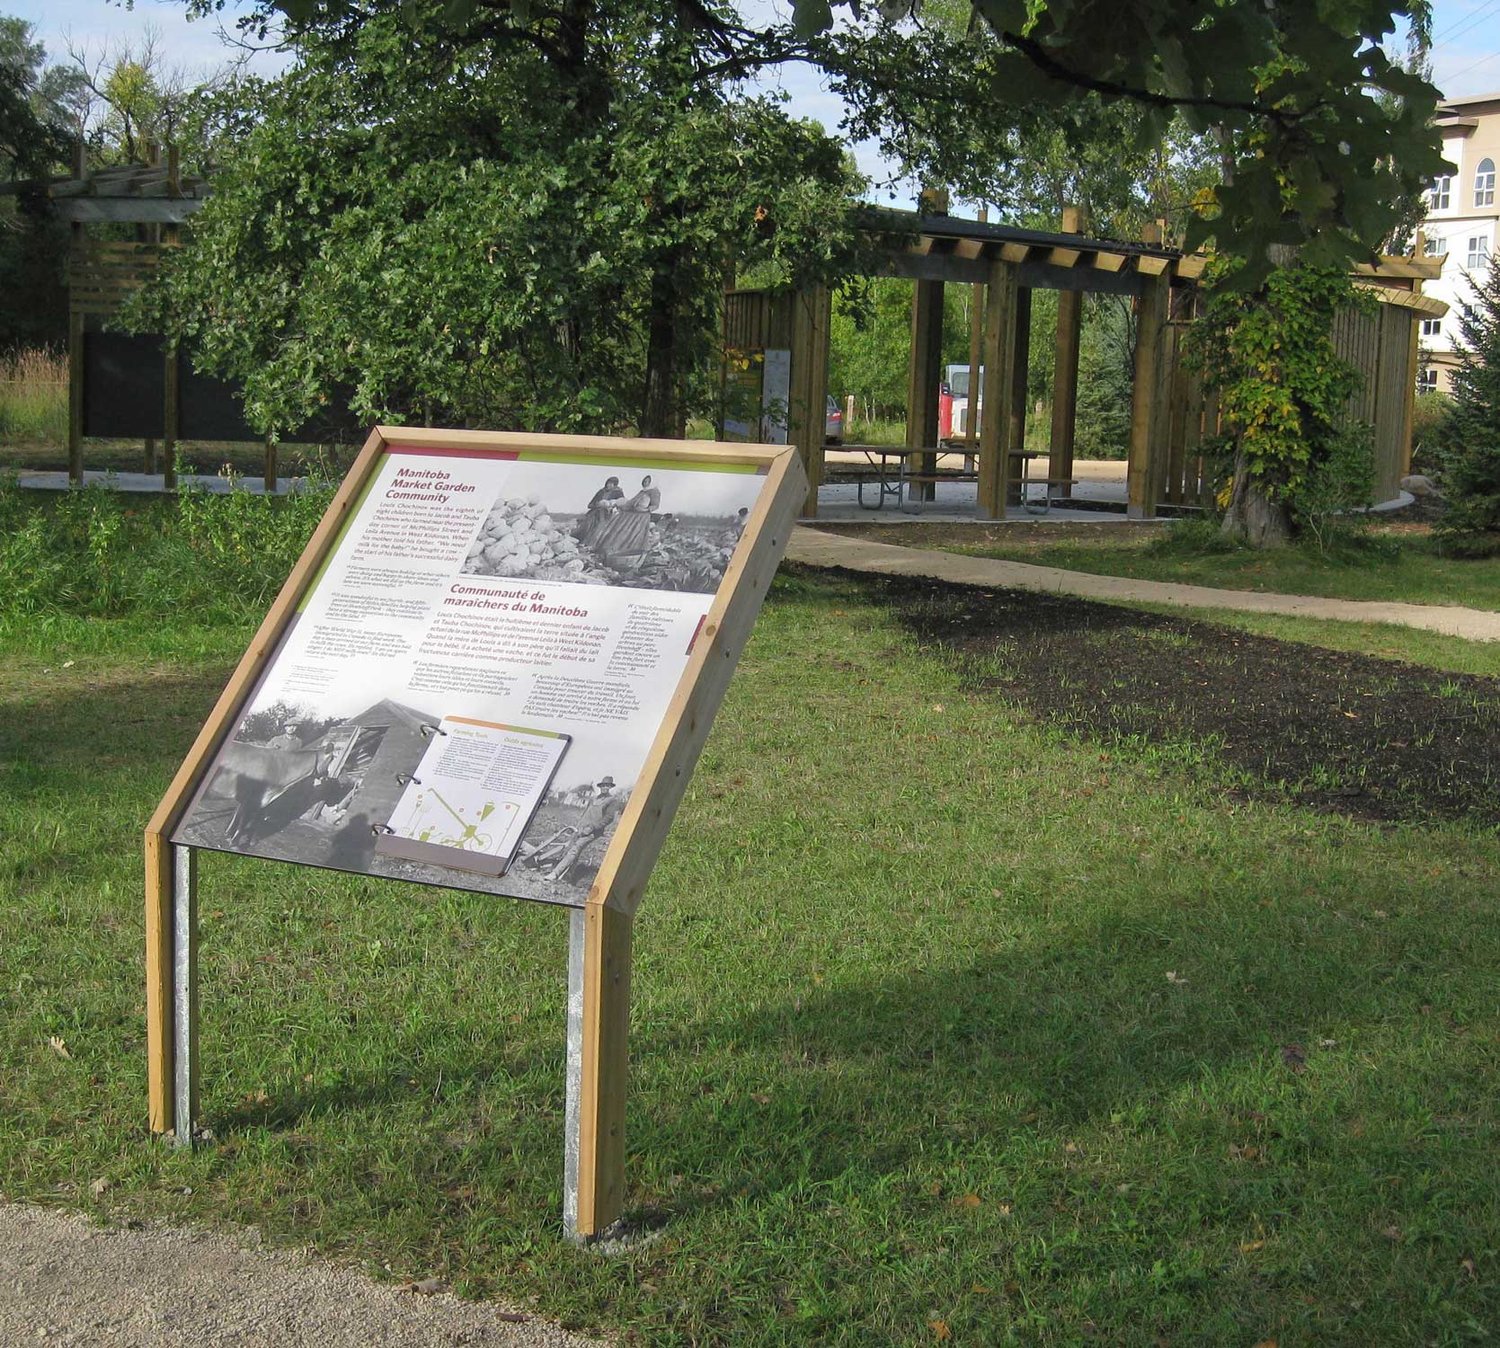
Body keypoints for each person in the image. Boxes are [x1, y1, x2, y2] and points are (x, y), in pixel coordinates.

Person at [545, 777, 627, 883]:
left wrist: (592, 828)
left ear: (610, 787)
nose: (605, 787)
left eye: (607, 786)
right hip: (580, 828)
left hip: (592, 831)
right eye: (603, 785)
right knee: (572, 849)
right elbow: (585, 814)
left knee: (575, 849)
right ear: (600, 787)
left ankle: (554, 874)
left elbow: (608, 819)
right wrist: (577, 826)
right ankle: (569, 875)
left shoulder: (612, 801)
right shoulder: (595, 798)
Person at [593, 475, 661, 570]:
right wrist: (621, 506)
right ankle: (611, 551)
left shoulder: (654, 491)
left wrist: (646, 510)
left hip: (641, 517)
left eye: (647, 481)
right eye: (644, 481)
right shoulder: (642, 491)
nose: (645, 483)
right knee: (620, 530)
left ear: (651, 482)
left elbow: (655, 505)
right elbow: (632, 502)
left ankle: (632, 554)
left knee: (635, 535)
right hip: (632, 514)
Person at [576, 476, 624, 547]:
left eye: (612, 484)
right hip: (597, 512)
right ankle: (585, 542)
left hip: (611, 513)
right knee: (589, 524)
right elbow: (590, 505)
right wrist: (598, 504)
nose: (609, 485)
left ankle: (597, 544)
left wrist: (611, 505)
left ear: (615, 485)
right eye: (608, 483)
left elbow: (622, 503)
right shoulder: (601, 492)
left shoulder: (618, 493)